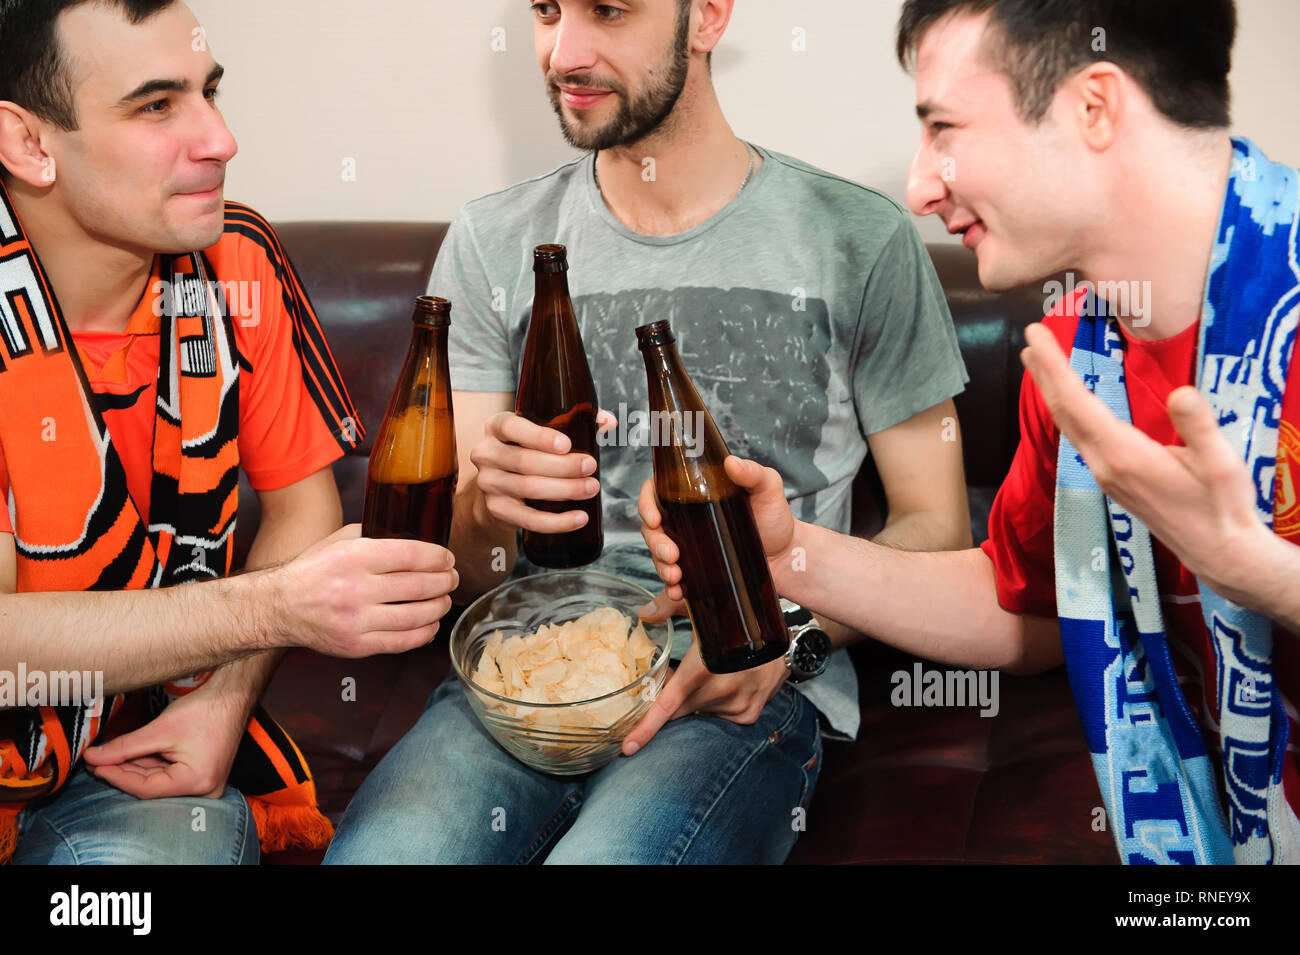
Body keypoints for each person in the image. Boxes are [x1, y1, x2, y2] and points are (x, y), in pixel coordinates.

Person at [641, 0, 1300, 865]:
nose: (918, 186)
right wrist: (789, 553)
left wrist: (1266, 578)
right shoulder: (1076, 352)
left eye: (945, 127)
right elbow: (1019, 610)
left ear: (1093, 107)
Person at [326, 0, 971, 865]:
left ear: (706, 16)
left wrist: (796, 640)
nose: (565, 50)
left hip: (730, 679)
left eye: (610, 11)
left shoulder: (862, 239)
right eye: (548, 11)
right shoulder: (492, 241)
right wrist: (490, 504)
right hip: (530, 671)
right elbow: (470, 564)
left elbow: (939, 529)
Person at [0, 0, 457, 865]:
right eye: (155, 105)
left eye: (209, 92)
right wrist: (268, 606)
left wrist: (223, 700)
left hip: (140, 743)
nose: (220, 138)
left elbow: (301, 515)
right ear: (27, 143)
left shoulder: (234, 260)